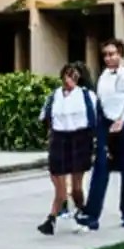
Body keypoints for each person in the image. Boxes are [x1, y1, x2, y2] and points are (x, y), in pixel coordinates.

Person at [77, 38, 124, 232]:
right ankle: (92, 215)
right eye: (105, 54)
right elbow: (101, 101)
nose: (108, 58)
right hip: (106, 123)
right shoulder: (103, 76)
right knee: (101, 166)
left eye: (112, 53)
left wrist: (122, 120)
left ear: (120, 54)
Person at [36, 62, 98, 235]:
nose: (70, 79)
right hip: (59, 139)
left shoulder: (87, 96)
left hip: (80, 139)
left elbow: (96, 119)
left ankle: (82, 211)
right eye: (68, 74)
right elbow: (44, 117)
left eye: (75, 76)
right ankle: (51, 219)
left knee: (77, 187)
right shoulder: (54, 96)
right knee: (60, 189)